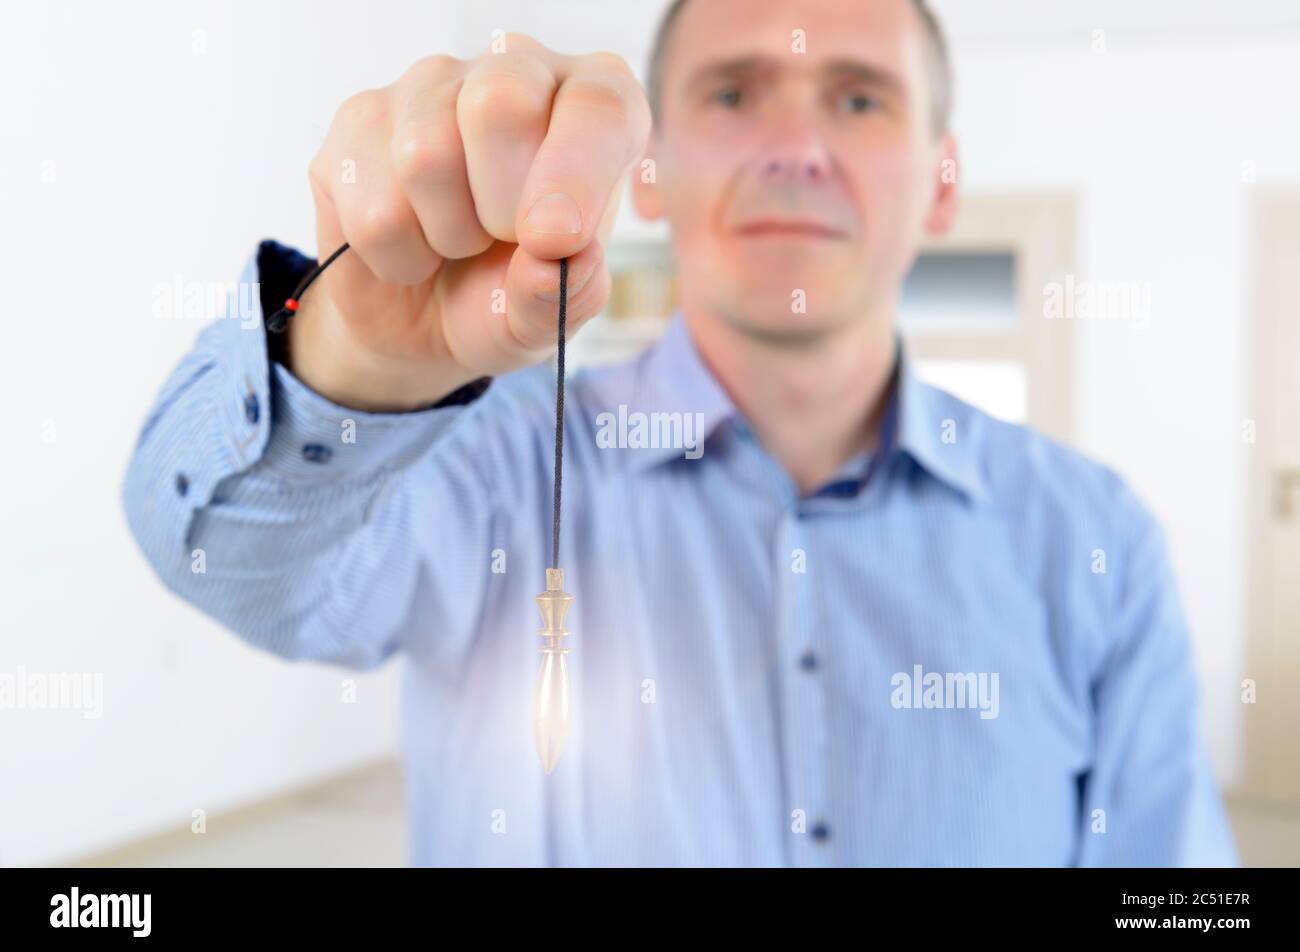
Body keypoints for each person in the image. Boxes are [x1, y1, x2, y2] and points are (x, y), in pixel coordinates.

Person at [121, 0, 1237, 866]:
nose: (794, 146)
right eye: (735, 94)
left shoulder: (1096, 540)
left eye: (857, 99)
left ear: (942, 184)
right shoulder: (490, 456)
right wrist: (364, 364)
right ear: (644, 177)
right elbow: (223, 556)